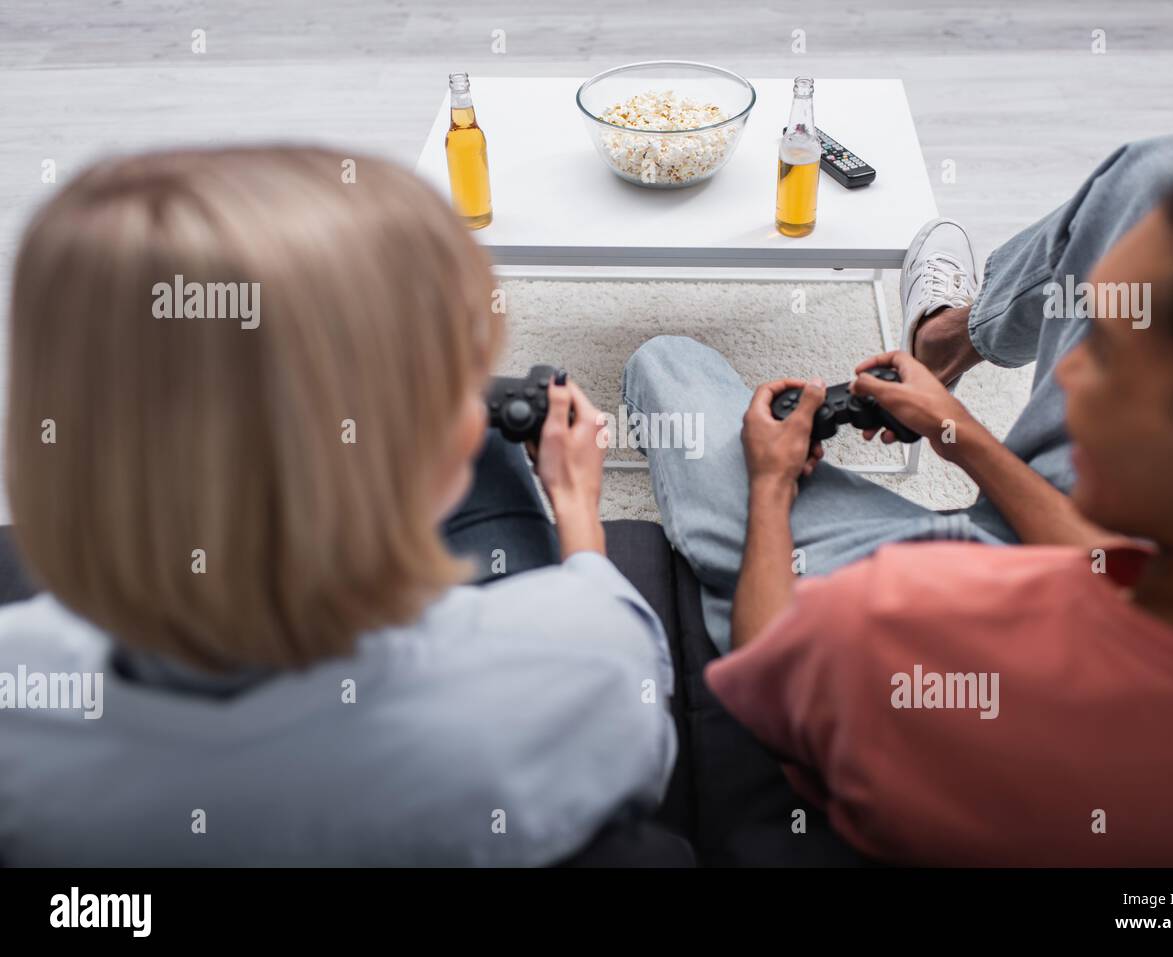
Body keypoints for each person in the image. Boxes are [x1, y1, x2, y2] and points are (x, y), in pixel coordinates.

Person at [627, 135, 1173, 864]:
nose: (1068, 373)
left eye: (1106, 354)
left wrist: (769, 484)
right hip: (1114, 549)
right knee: (1158, 173)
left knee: (670, 368)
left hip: (922, 599)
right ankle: (948, 337)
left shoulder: (912, 624)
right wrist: (959, 433)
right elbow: (1117, 574)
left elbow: (773, 677)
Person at [0, 147, 676, 866]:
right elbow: (644, 745)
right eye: (454, 382)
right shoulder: (581, 664)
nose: (471, 412)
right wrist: (576, 506)